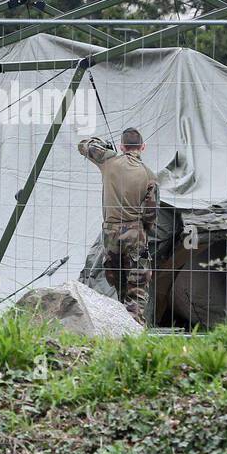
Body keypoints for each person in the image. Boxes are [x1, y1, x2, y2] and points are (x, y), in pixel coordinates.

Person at [78, 128, 159, 323]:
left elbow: (83, 145)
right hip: (134, 233)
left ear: (122, 146)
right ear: (143, 147)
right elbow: (151, 214)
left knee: (118, 283)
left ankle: (122, 324)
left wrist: (104, 145)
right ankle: (135, 327)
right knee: (137, 287)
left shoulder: (108, 161)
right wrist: (144, 232)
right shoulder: (149, 175)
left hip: (110, 233)